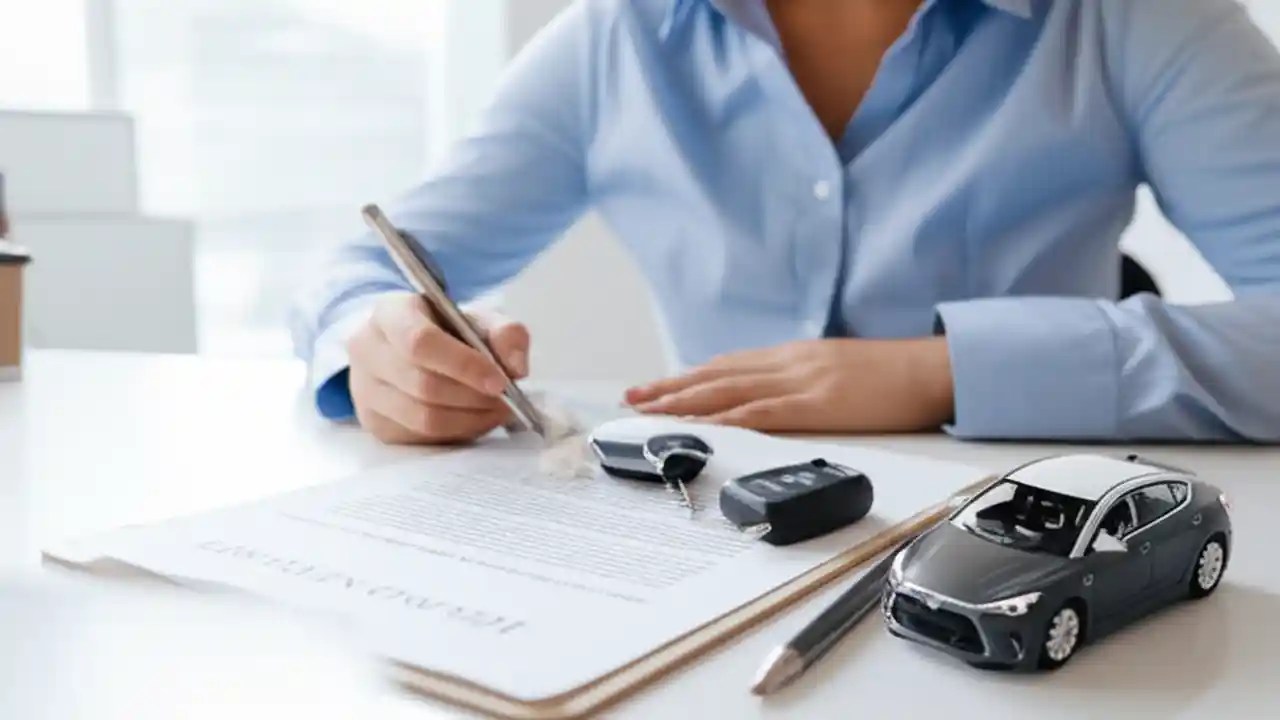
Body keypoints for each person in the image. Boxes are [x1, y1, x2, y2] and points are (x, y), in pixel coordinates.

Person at [291, 0, 1280, 445]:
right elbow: (360, 269)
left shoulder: (1138, 19)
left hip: (1027, 541)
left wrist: (940, 372)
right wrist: (372, 345)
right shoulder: (618, 36)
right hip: (703, 553)